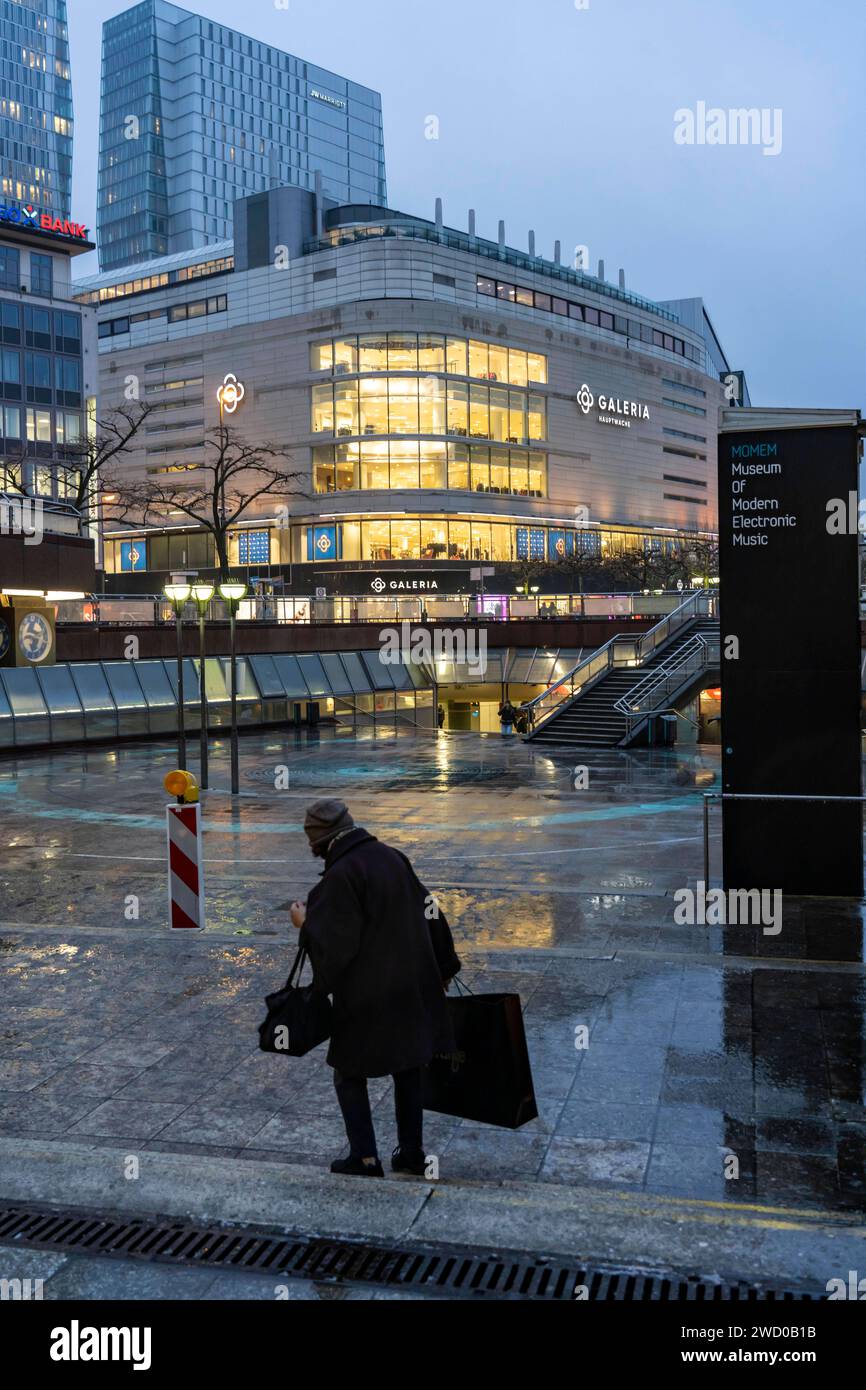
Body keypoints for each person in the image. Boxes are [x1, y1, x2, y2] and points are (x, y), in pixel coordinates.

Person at [289, 799, 461, 1179]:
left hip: (369, 994)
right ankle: (412, 1154)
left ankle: (365, 1158)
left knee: (348, 1073)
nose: (309, 847)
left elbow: (336, 947)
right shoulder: (391, 857)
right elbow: (430, 909)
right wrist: (445, 966)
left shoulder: (340, 877)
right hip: (412, 984)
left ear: (323, 840)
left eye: (310, 839)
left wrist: (304, 923)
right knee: (408, 1068)